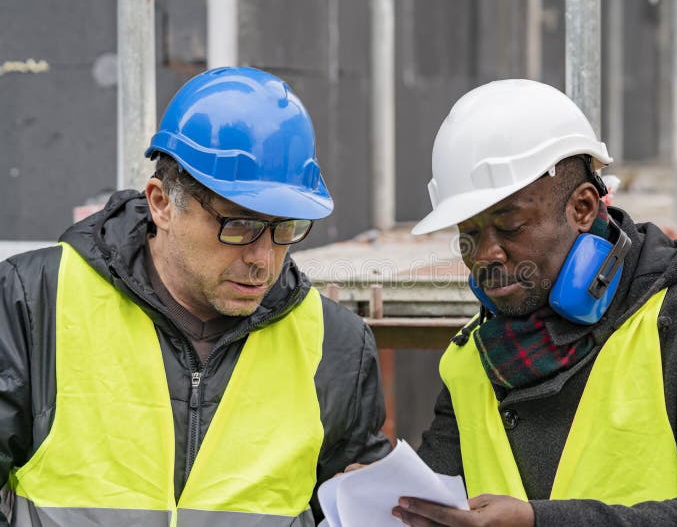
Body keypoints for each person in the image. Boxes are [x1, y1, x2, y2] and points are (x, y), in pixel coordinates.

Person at [395, 79, 677, 526]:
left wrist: (539, 523)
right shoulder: (476, 357)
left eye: (510, 226)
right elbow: (436, 501)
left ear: (583, 207)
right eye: (469, 234)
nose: (486, 254)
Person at [0, 66, 391, 526]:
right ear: (162, 203)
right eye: (239, 225)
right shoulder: (36, 301)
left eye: (285, 228)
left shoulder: (335, 345)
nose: (263, 259)